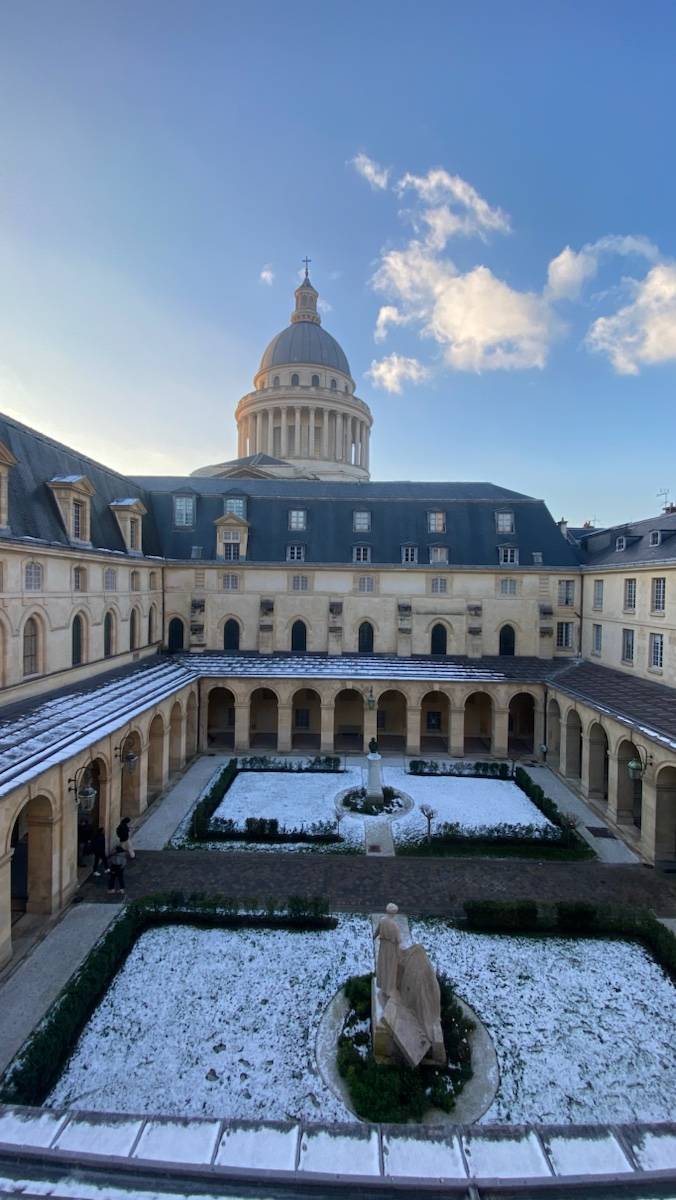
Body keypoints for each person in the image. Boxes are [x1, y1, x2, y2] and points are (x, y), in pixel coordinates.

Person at [374, 902, 402, 998]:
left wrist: (373, 937)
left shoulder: (382, 920)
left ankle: (382, 986)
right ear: (394, 913)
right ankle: (388, 989)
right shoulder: (394, 926)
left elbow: (376, 932)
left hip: (383, 947)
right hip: (391, 949)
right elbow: (398, 941)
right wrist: (398, 953)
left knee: (383, 966)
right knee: (390, 968)